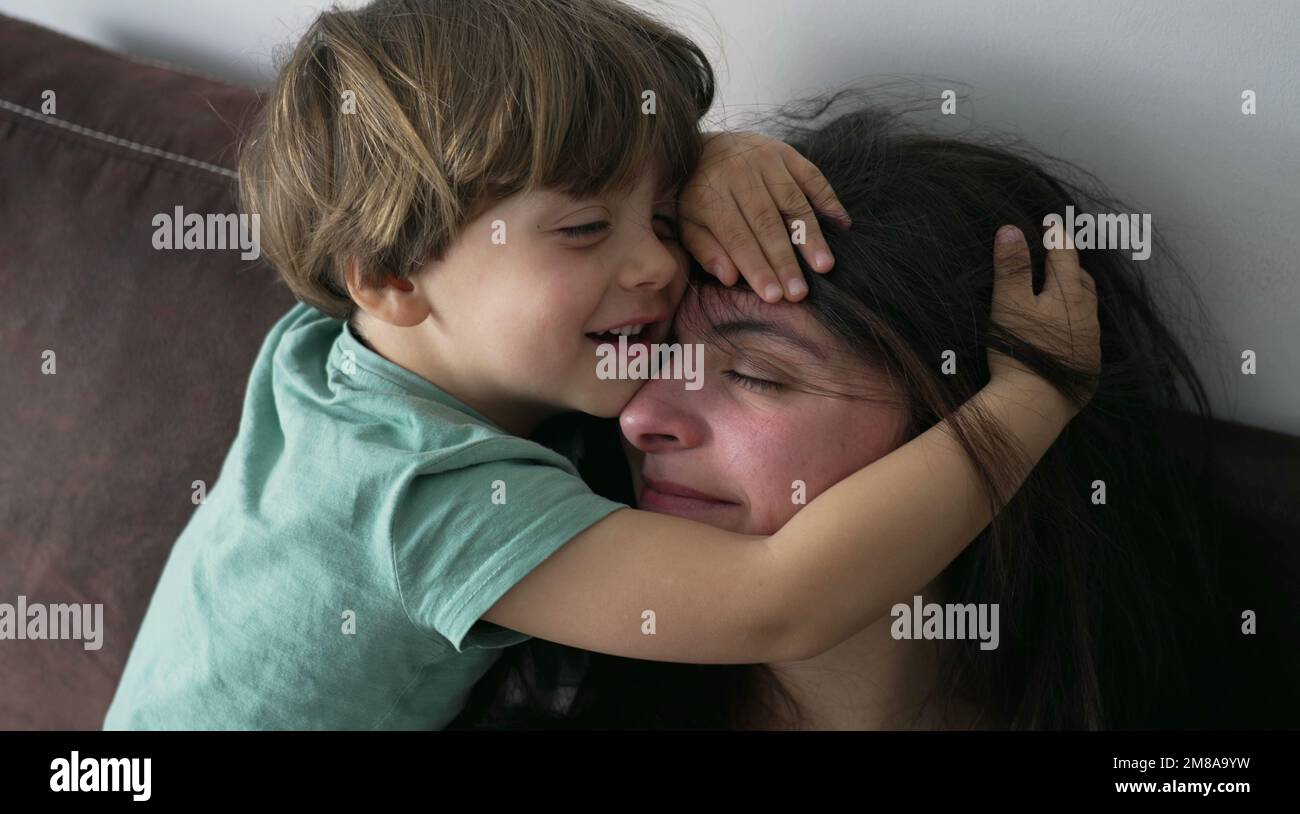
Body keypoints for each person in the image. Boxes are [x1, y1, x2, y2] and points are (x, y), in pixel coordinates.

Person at [103, 2, 1094, 731]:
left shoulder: (341, 353)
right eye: (586, 226)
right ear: (392, 279)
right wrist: (1029, 399)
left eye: (661, 215)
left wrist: (705, 155)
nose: (658, 263)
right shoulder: (429, 496)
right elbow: (778, 597)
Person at [450, 93, 1225, 731]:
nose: (638, 418)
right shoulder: (545, 678)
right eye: (650, 351)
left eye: (755, 374)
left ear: (958, 413)